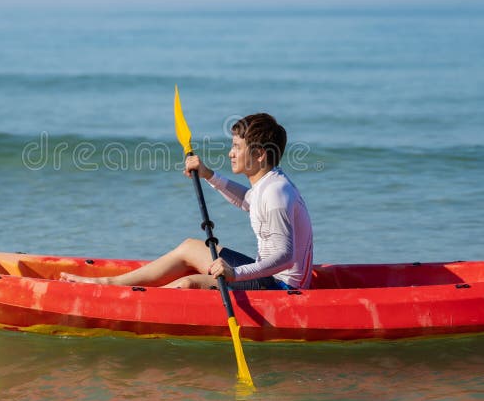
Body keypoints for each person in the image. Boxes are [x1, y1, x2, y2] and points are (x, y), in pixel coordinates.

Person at [60, 113, 313, 290]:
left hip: (281, 287)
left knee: (189, 284)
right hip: (266, 275)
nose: (230, 153)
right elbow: (248, 202)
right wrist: (209, 175)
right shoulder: (267, 185)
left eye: (237, 146)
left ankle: (130, 302)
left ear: (258, 154)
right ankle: (110, 284)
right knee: (190, 247)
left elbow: (285, 258)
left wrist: (235, 273)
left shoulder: (275, 193)